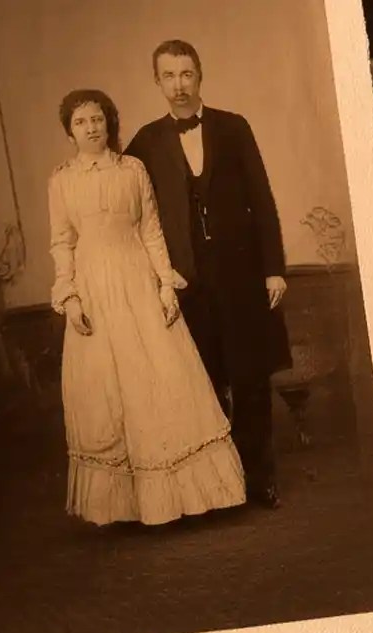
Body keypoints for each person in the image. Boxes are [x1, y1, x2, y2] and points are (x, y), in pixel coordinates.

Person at [47, 88, 247, 526]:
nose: (91, 128)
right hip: (94, 289)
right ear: (70, 133)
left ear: (108, 123)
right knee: (111, 389)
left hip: (138, 281)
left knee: (159, 377)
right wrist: (70, 296)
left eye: (97, 119)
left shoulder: (132, 169)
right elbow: (62, 242)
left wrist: (165, 286)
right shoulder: (61, 181)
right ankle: (126, 506)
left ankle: (180, 499)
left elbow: (152, 231)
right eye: (80, 122)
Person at [125, 40, 292, 509]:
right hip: (188, 282)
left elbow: (262, 199)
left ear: (200, 75)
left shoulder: (234, 127)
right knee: (205, 383)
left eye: (186, 74)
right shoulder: (146, 142)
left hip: (242, 275)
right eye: (169, 76)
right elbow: (129, 208)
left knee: (251, 378)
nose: (179, 85)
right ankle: (221, 485)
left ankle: (260, 479)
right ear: (157, 82)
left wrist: (273, 269)